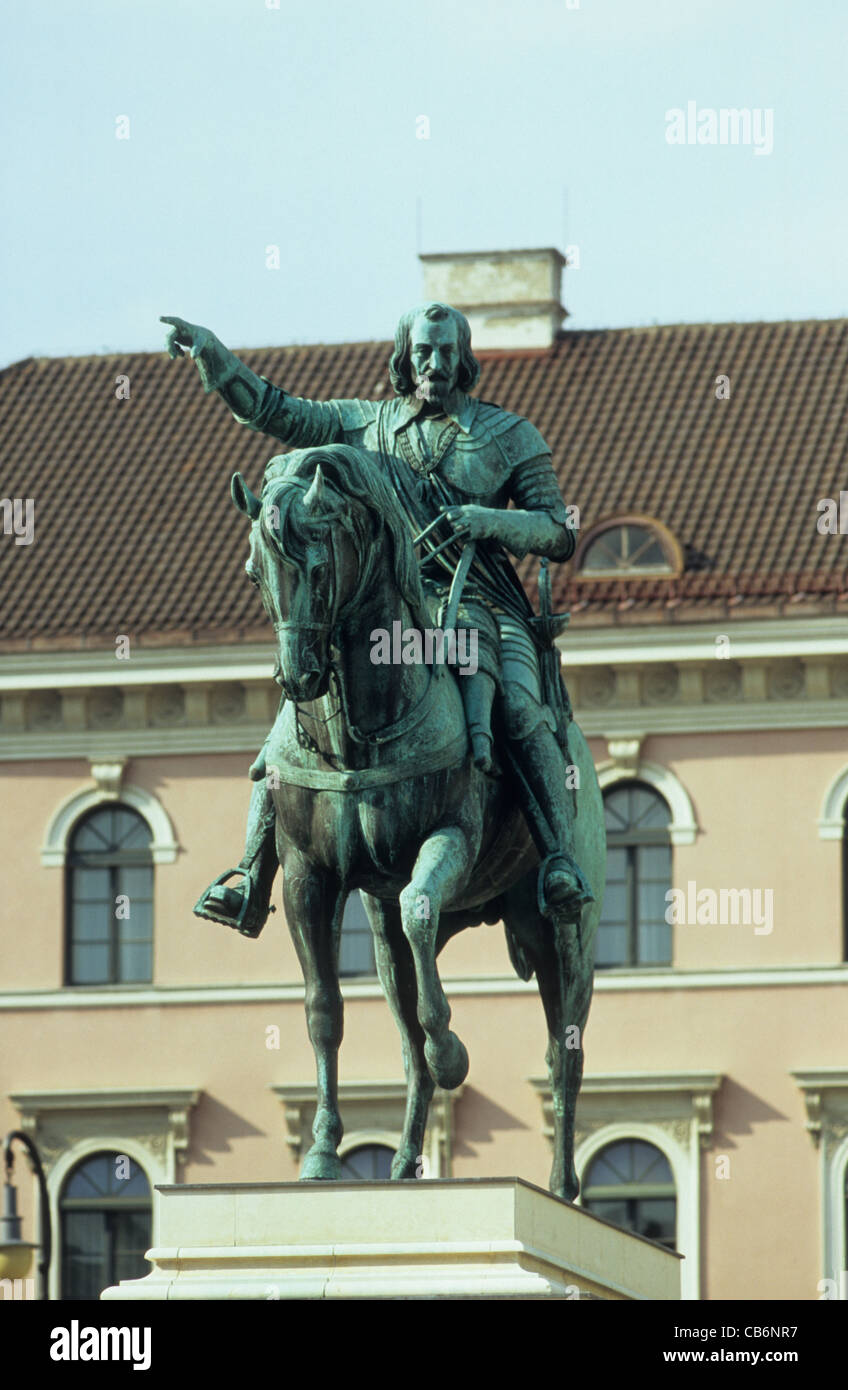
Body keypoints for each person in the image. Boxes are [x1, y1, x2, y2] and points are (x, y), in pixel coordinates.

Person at [161, 302, 594, 932]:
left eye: (447, 352)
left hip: (482, 605)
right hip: (389, 611)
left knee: (523, 709)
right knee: (301, 700)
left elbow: (558, 530)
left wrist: (489, 521)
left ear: (464, 357)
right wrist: (215, 358)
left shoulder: (508, 434)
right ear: (404, 355)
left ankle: (556, 860)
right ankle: (253, 871)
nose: (435, 364)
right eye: (423, 351)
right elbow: (275, 409)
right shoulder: (363, 426)